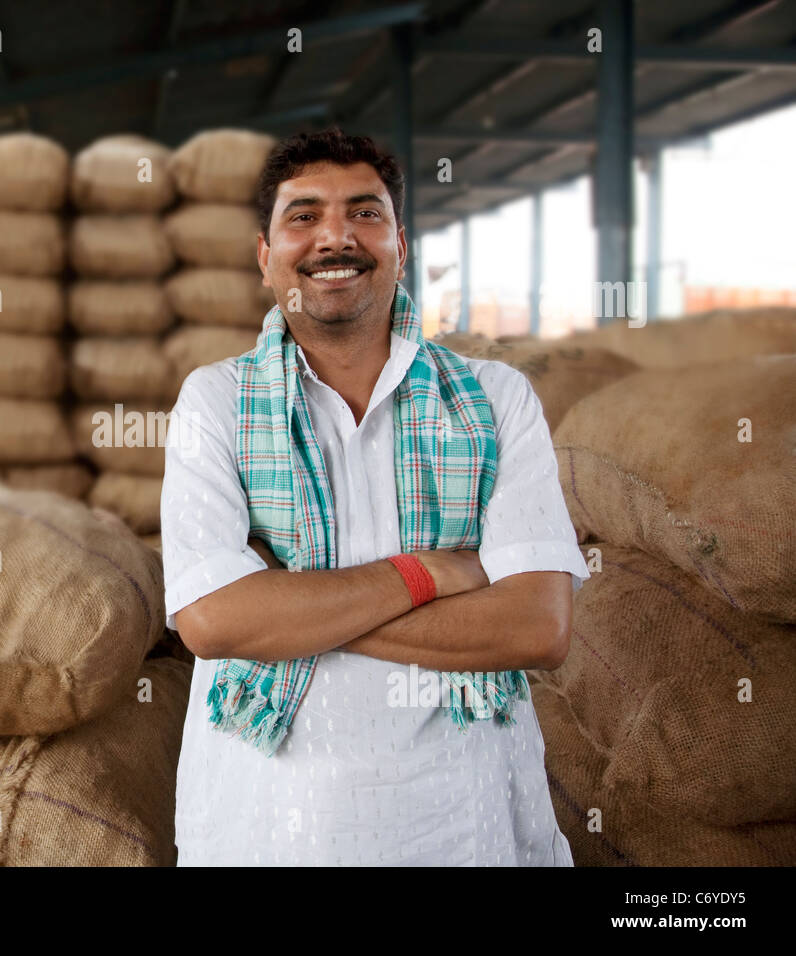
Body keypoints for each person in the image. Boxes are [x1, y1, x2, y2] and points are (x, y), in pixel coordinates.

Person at [160, 125, 589, 866]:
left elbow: (536, 629)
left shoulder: (495, 398)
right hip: (264, 828)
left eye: (365, 213)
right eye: (303, 217)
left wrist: (285, 605)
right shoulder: (216, 402)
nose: (336, 237)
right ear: (266, 258)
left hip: (466, 824)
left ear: (401, 245)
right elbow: (210, 620)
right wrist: (433, 575)